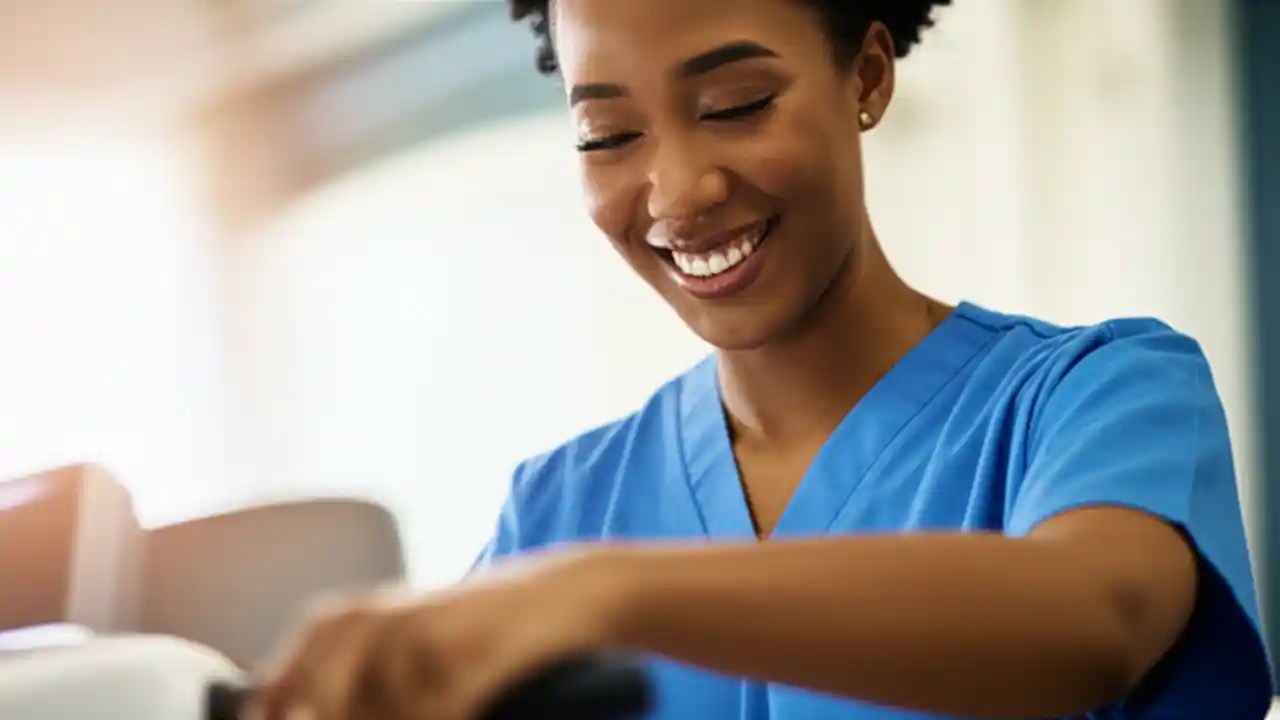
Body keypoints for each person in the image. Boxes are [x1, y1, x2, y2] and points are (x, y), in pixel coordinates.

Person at [256, 1, 1273, 718]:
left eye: (735, 105)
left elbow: (1087, 621)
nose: (675, 192)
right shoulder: (556, 507)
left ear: (865, 76)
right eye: (606, 133)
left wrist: (610, 593)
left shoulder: (1096, 396)